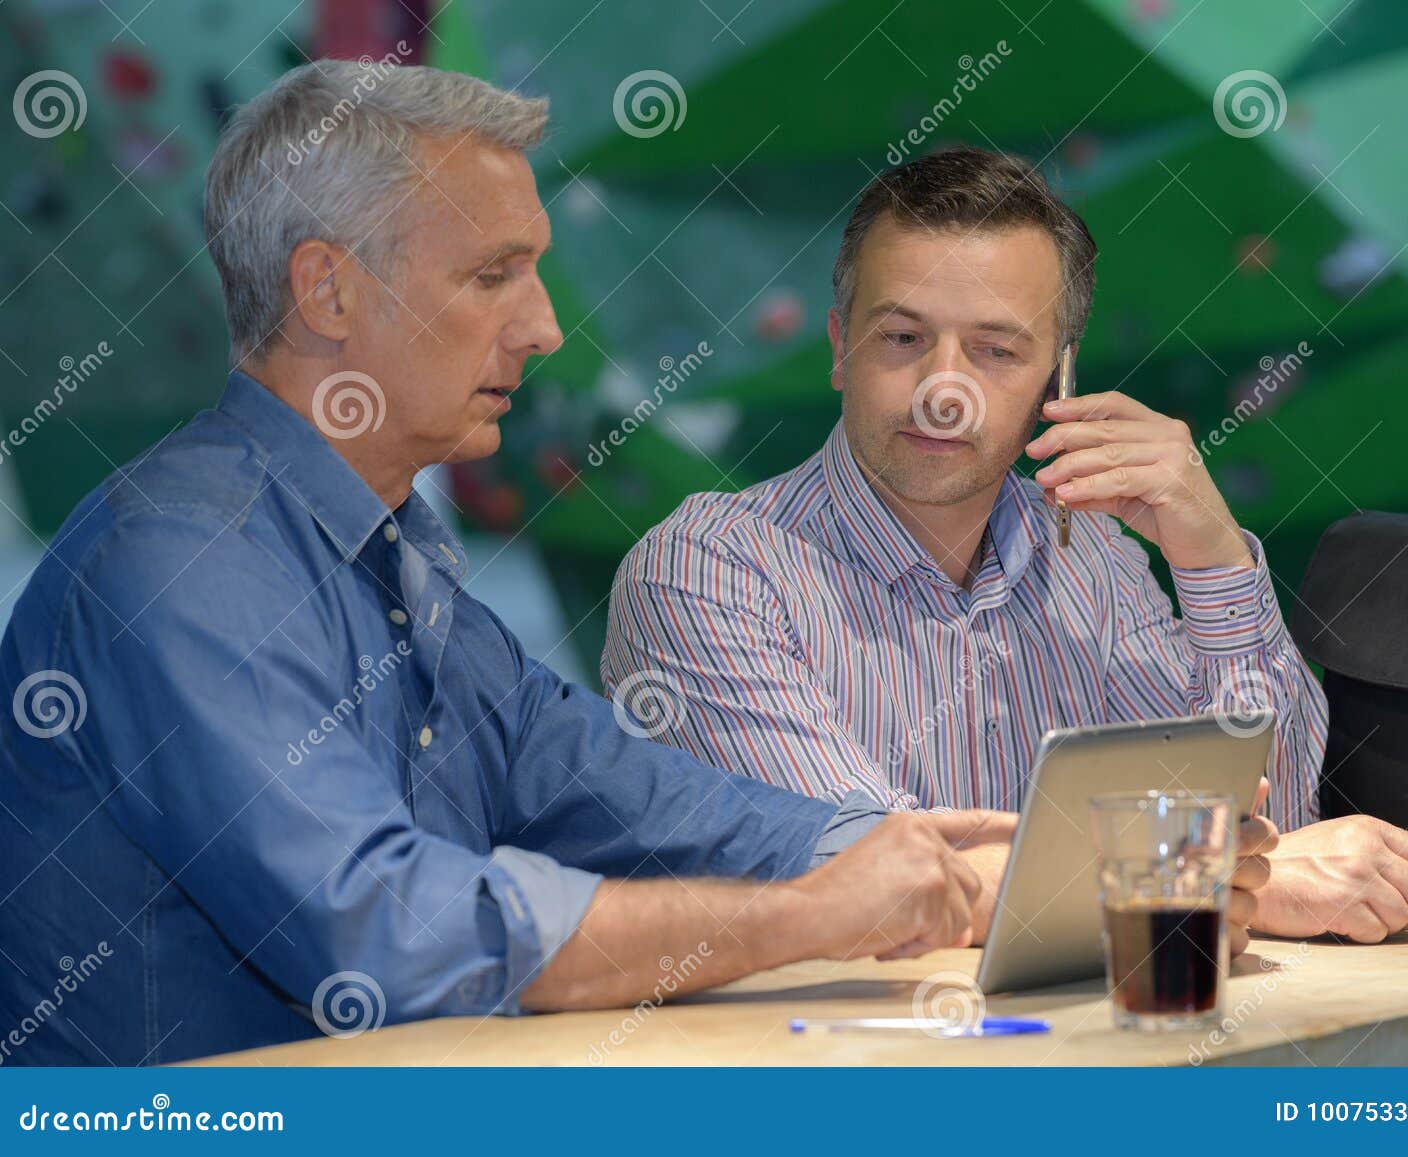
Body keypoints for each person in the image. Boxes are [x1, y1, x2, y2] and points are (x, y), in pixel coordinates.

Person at [0, 64, 1035, 1067]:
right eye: (492, 274)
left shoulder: (392, 558)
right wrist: (807, 915)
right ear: (326, 290)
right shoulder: (182, 566)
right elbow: (389, 933)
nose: (542, 327)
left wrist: (920, 856)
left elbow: (639, 798)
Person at [603, 145, 1408, 947]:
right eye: (902, 339)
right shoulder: (707, 570)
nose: (944, 390)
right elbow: (873, 878)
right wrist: (1215, 876)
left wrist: (1215, 557)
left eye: (995, 350)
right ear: (838, 347)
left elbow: (1278, 817)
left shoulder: (1092, 556)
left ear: (1058, 379)